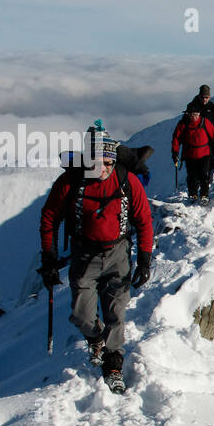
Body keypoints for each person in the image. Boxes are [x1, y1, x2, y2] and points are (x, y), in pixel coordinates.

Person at [39, 134, 154, 393]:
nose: (103, 168)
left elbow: (144, 221)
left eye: (108, 163)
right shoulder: (71, 182)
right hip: (84, 255)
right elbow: (49, 217)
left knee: (116, 312)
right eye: (96, 162)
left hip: (118, 254)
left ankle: (113, 365)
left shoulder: (128, 181)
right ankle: (95, 337)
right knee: (82, 315)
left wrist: (144, 260)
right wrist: (49, 258)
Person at [171, 103, 214, 202]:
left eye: (196, 115)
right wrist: (175, 152)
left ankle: (204, 195)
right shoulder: (183, 124)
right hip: (190, 155)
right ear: (188, 114)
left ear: (199, 114)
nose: (194, 117)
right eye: (192, 115)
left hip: (204, 154)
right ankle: (193, 194)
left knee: (204, 175)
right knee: (192, 176)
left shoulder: (205, 122)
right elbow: (176, 139)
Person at [188, 84, 214, 155]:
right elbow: (184, 125)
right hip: (193, 145)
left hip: (209, 145)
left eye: (206, 97)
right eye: (202, 97)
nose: (204, 99)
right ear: (199, 96)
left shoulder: (213, 109)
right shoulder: (192, 107)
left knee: (208, 165)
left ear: (209, 97)